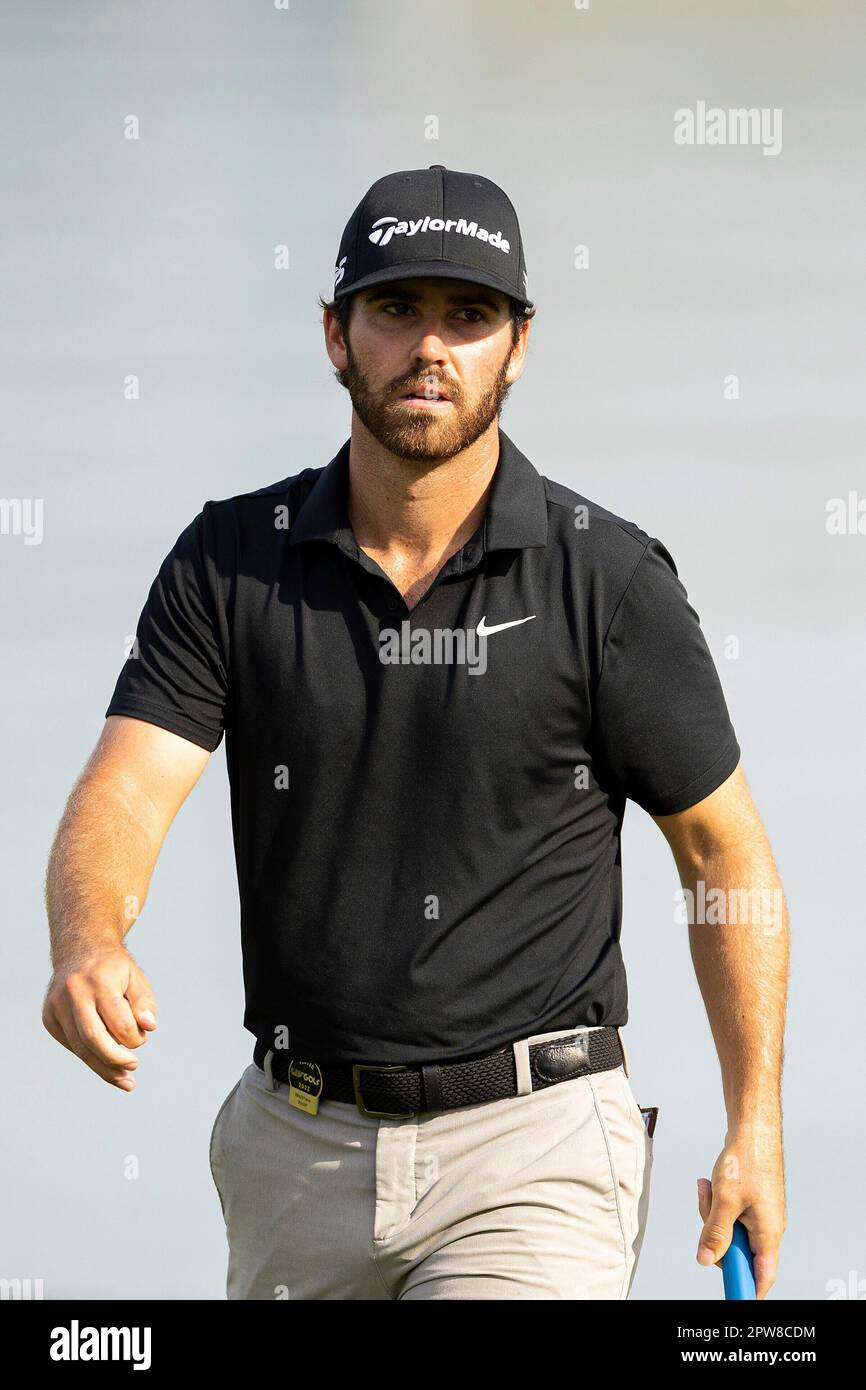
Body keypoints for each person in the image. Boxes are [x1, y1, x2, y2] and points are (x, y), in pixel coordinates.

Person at [43, 164, 788, 1301]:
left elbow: (722, 853)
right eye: (395, 310)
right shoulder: (231, 560)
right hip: (292, 1150)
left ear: (518, 343)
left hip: (532, 1150)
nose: (429, 347)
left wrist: (754, 1121)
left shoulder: (609, 581)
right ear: (334, 335)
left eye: (468, 315)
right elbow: (130, 792)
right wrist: (87, 939)